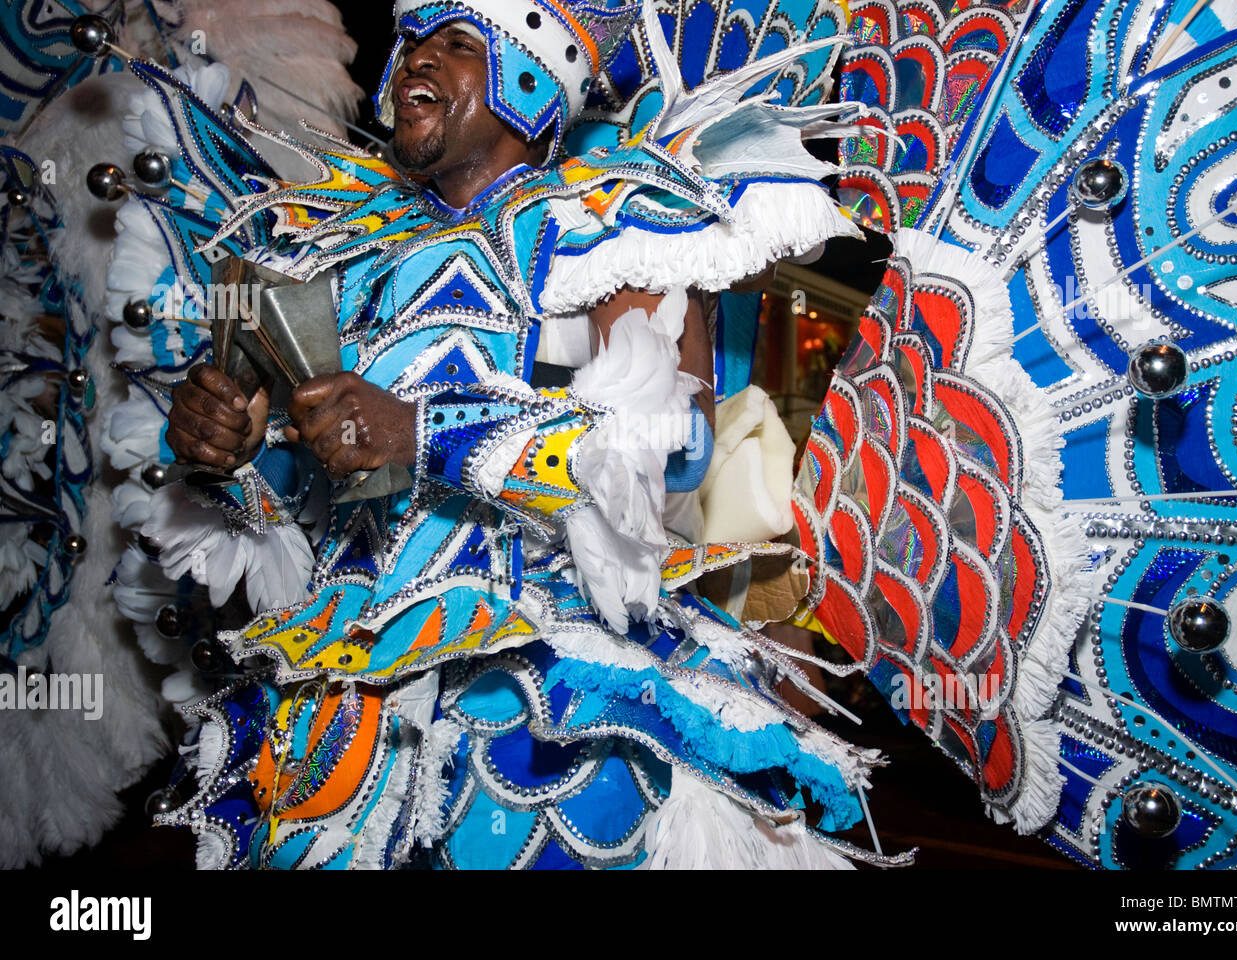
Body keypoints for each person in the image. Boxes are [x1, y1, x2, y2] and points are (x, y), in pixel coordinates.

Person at [153, 0, 902, 869]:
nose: (414, 65)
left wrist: (420, 431)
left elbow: (665, 455)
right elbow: (320, 498)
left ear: (532, 84)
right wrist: (239, 457)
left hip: (550, 698)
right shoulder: (350, 257)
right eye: (411, 46)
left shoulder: (612, 233)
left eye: (458, 46)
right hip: (350, 695)